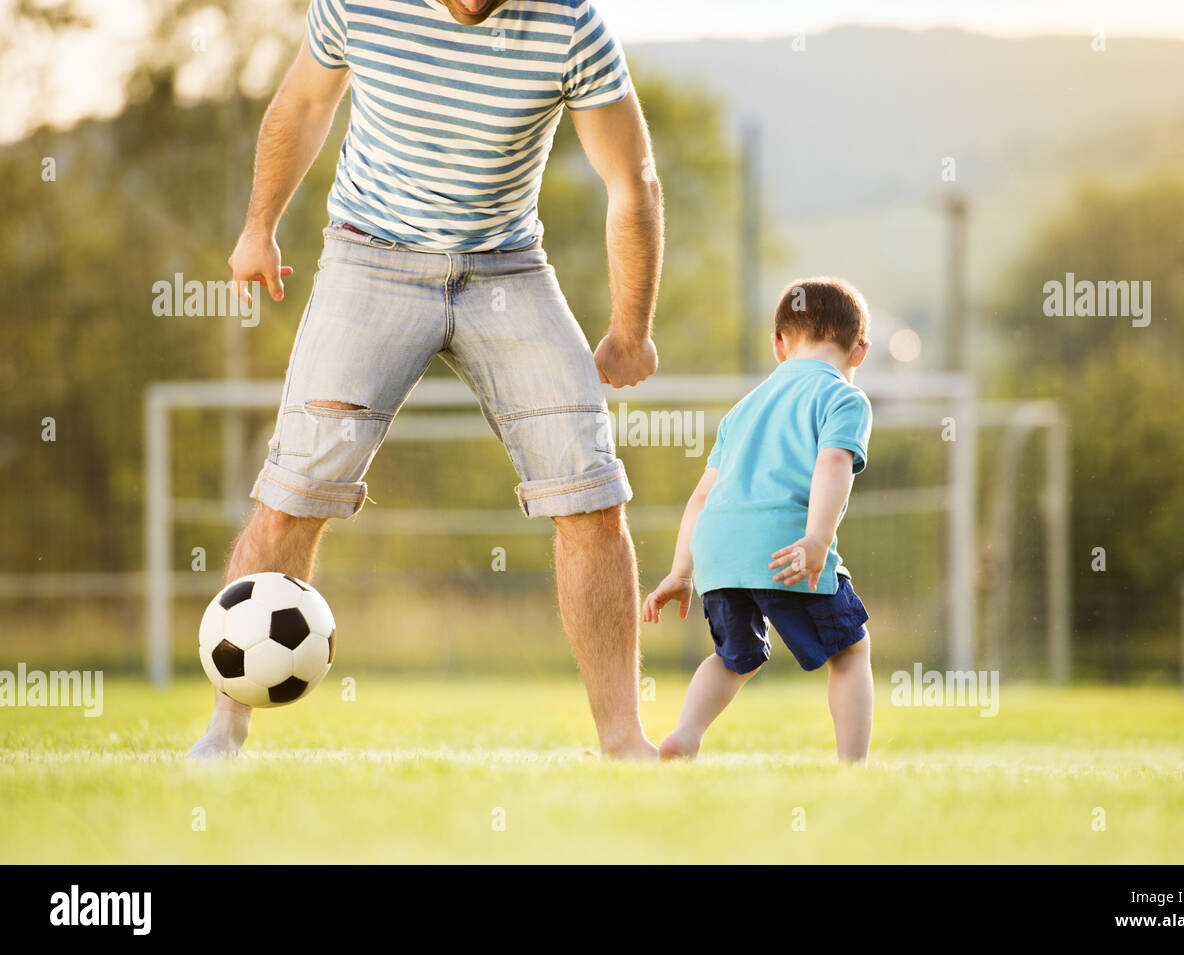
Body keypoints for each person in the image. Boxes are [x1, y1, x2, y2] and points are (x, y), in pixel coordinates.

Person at [190, 0, 663, 760]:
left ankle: (623, 742)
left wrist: (632, 328)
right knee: (290, 497)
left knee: (590, 493)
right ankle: (224, 730)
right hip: (369, 258)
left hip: (507, 268)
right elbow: (307, 101)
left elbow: (630, 179)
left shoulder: (572, 25)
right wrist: (258, 227)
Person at [642, 278, 874, 762]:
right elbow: (832, 463)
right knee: (850, 651)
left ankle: (685, 734)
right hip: (782, 546)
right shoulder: (844, 398)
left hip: (718, 553)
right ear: (860, 353)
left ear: (778, 345)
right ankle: (853, 766)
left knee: (733, 657)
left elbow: (701, 495)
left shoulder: (743, 409)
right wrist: (816, 539)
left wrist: (680, 572)